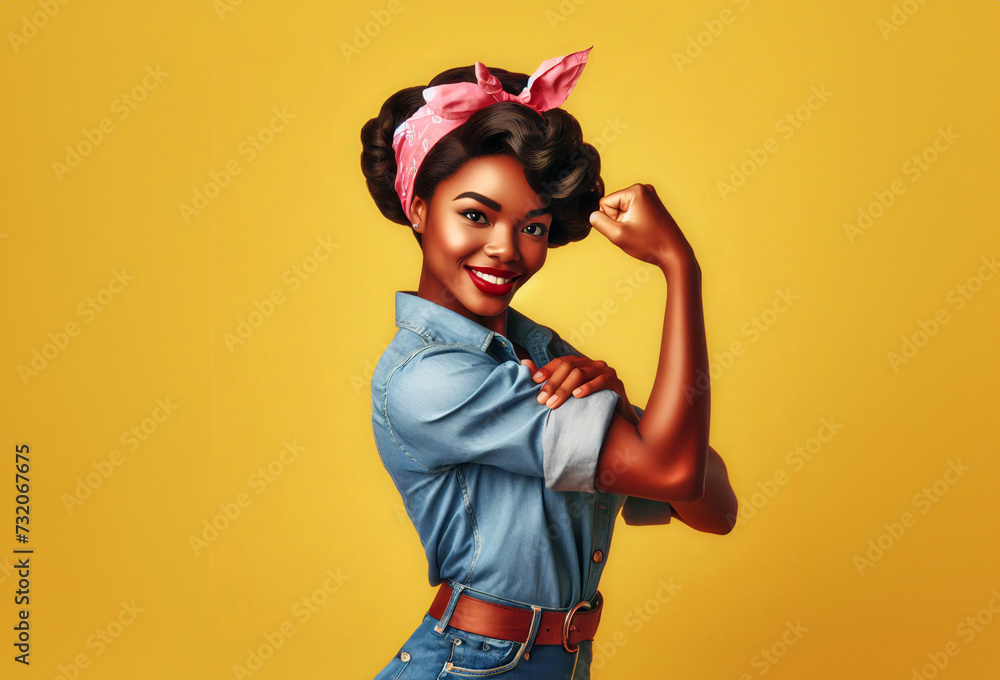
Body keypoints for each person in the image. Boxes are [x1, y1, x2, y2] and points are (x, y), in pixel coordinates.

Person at [360, 45, 738, 679]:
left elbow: (713, 505)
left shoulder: (543, 356)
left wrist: (613, 404)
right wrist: (679, 268)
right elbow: (672, 472)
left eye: (532, 226)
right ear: (419, 209)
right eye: (475, 215)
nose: (505, 248)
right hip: (474, 665)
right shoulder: (429, 379)